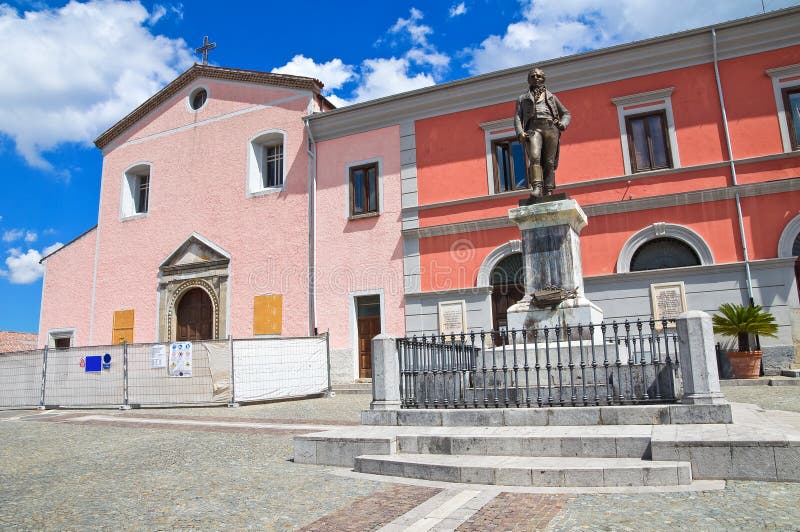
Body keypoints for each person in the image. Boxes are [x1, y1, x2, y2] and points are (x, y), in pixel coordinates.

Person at [514, 67, 571, 198]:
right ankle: (537, 187)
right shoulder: (522, 99)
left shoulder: (551, 97)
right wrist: (520, 132)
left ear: (543, 79)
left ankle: (549, 189)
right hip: (533, 129)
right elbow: (518, 117)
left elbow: (566, 113)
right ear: (529, 80)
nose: (536, 78)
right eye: (532, 76)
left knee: (549, 161)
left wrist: (563, 124)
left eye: (538, 76)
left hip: (551, 128)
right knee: (534, 157)